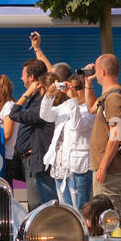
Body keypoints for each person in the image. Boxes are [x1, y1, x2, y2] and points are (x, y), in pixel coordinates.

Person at [7, 57, 57, 207]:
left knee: (37, 205)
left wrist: (27, 93)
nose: (21, 78)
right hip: (24, 159)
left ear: (32, 77)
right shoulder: (35, 99)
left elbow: (14, 114)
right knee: (27, 203)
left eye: (23, 75)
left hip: (33, 159)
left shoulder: (40, 101)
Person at [42, 73, 95, 209]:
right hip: (60, 165)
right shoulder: (65, 106)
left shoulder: (91, 109)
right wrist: (49, 95)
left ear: (86, 88)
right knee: (66, 210)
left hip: (78, 167)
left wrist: (73, 100)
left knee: (80, 209)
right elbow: (45, 116)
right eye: (71, 87)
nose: (74, 91)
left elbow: (78, 125)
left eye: (78, 88)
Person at [86, 53, 121, 215]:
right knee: (103, 217)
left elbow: (115, 135)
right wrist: (88, 84)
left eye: (96, 70)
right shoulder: (108, 96)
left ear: (103, 71)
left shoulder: (114, 98)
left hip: (110, 171)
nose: (95, 74)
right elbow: (91, 108)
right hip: (105, 170)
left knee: (111, 218)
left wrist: (103, 166)